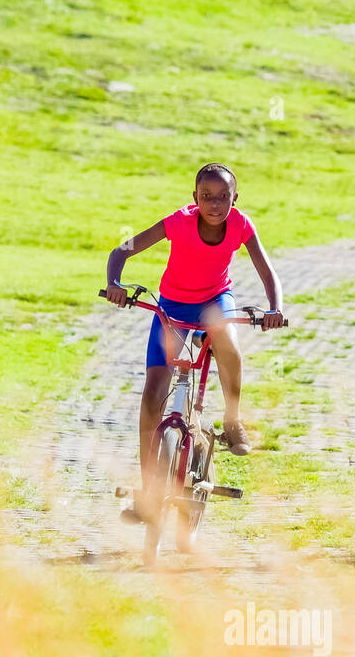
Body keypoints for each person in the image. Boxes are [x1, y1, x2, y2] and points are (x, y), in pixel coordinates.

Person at [103, 163, 285, 521]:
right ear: (194, 198)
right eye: (206, 197)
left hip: (216, 301)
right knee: (154, 393)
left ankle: (232, 420)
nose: (215, 205)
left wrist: (275, 309)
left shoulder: (242, 225)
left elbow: (266, 270)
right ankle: (148, 492)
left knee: (228, 345)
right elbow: (120, 251)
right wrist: (115, 283)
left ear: (235, 198)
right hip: (172, 305)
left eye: (223, 197)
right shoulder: (178, 223)